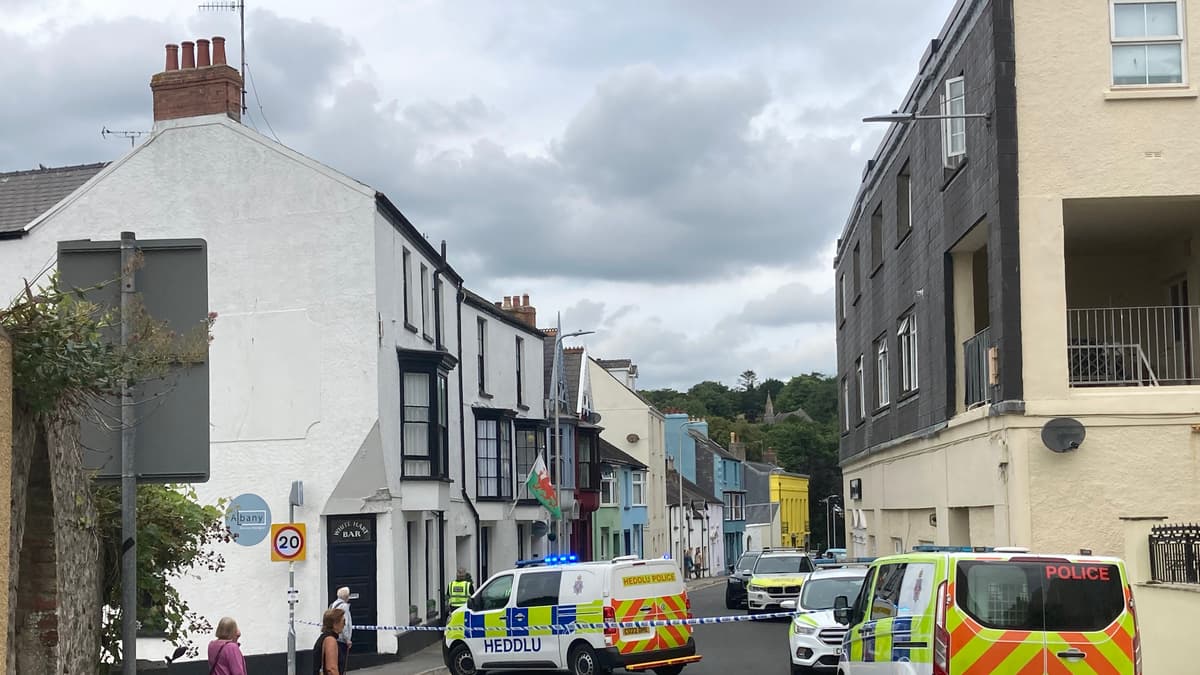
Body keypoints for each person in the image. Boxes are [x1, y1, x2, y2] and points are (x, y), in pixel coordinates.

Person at [313, 607, 346, 675]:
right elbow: (331, 669)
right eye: (343, 621)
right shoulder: (330, 640)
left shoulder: (323, 638)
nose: (344, 624)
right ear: (335, 624)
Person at [330, 586, 353, 667]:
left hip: (334, 637)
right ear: (346, 596)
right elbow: (344, 624)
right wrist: (347, 639)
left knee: (336, 662)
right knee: (342, 663)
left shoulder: (333, 605)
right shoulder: (344, 607)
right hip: (341, 639)